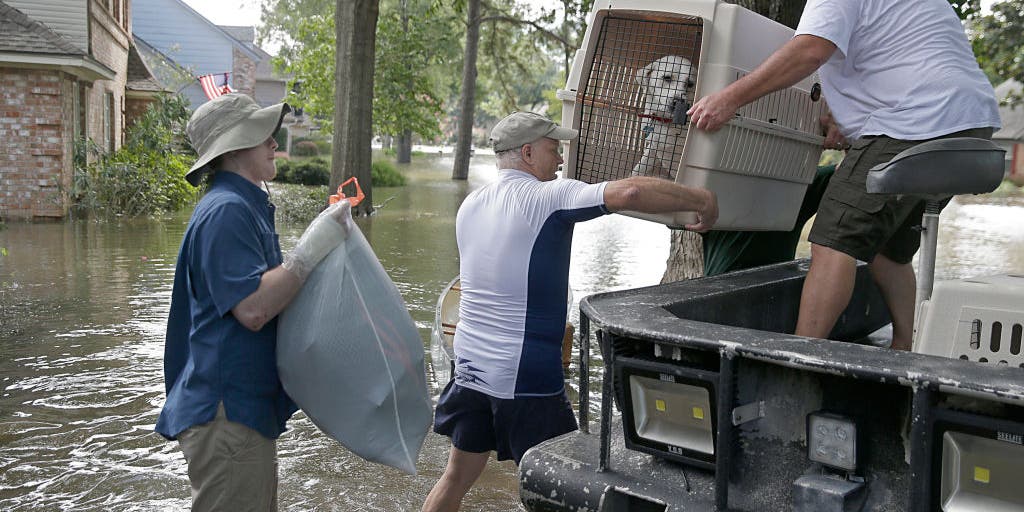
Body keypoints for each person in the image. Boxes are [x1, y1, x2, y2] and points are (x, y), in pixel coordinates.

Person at [421, 111, 718, 512]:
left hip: (470, 365)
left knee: (457, 476)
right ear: (527, 152)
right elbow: (629, 193)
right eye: (553, 148)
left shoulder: (471, 204)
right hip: (524, 374)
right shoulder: (548, 197)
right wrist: (701, 199)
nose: (561, 159)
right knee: (563, 488)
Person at [687, 0, 1001, 350]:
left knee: (833, 240)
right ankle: (906, 346)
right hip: (971, 122)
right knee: (888, 251)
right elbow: (899, 55)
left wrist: (729, 98)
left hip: (916, 122)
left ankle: (799, 356)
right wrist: (846, 117)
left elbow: (810, 51)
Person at [155, 93, 351, 511]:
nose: (274, 142)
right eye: (264, 134)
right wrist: (314, 246)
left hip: (236, 412)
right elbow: (253, 309)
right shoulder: (226, 210)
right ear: (235, 147)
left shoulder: (239, 204)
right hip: (227, 413)